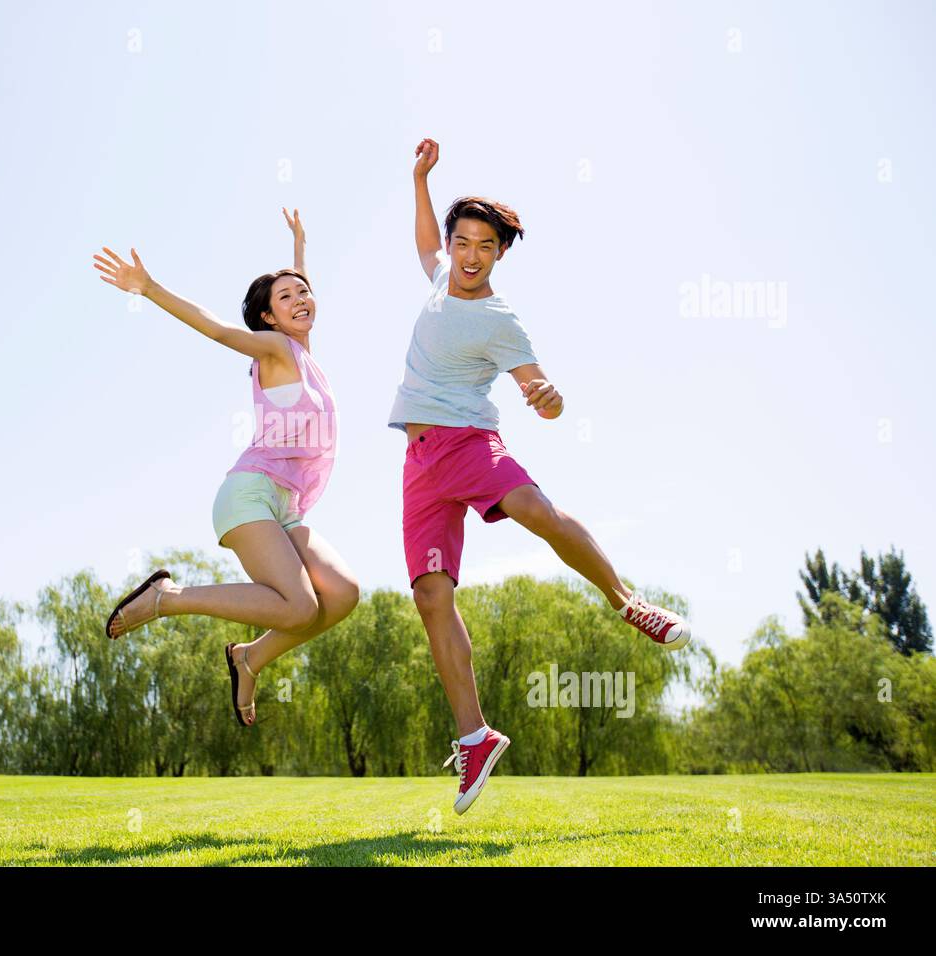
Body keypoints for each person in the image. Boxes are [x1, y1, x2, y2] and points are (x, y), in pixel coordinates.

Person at [391, 138, 693, 814]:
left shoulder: (501, 321)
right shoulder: (441, 280)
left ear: (500, 254)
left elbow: (536, 385)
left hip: (469, 441)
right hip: (418, 464)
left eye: (484, 247)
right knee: (431, 597)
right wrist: (419, 180)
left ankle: (626, 600)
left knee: (532, 508)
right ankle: (473, 737)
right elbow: (421, 239)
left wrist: (548, 399)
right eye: (462, 242)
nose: (469, 256)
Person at [94, 209, 358, 726]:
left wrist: (301, 248)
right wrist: (149, 288)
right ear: (267, 320)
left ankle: (249, 658)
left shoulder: (301, 354)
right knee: (301, 608)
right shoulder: (276, 348)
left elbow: (300, 301)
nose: (301, 299)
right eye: (286, 298)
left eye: (304, 292)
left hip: (282, 504)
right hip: (250, 496)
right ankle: (167, 599)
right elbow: (215, 329)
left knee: (343, 594)